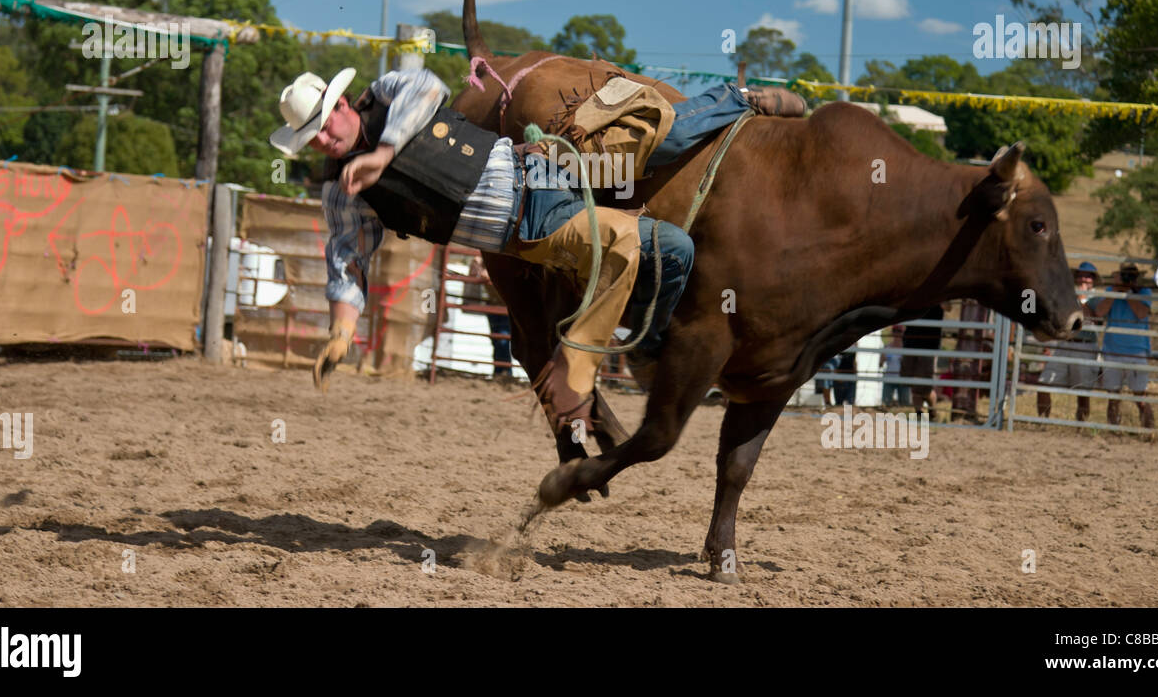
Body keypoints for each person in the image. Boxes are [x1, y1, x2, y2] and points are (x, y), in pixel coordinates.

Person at [271, 67, 792, 435]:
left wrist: (384, 154)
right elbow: (347, 260)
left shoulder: (390, 96)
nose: (321, 142)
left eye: (321, 128)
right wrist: (341, 332)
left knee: (649, 138)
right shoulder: (345, 193)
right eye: (310, 139)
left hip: (548, 165)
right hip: (540, 225)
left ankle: (739, 100)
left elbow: (427, 87)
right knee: (674, 248)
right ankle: (646, 343)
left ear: (341, 105)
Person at [1093, 263, 1155, 429]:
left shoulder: (1144, 292)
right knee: (1113, 397)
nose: (1128, 280)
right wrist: (1115, 292)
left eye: (1131, 277)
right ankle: (1113, 430)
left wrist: (1128, 293)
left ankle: (1149, 430)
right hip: (1112, 350)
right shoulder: (1111, 292)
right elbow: (1099, 312)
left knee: (1141, 397)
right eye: (1125, 276)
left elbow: (1141, 313)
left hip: (1137, 351)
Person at [1039, 262, 1101, 422]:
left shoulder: (1097, 298)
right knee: (1044, 383)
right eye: (1080, 275)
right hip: (1065, 343)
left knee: (1083, 391)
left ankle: (1081, 424)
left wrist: (1082, 299)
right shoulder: (1066, 294)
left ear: (1093, 279)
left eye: (1087, 276)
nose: (1083, 279)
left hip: (1086, 346)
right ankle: (1042, 421)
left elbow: (1097, 319)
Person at [467, 253, 514, 382]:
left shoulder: (503, 259)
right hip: (494, 304)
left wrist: (488, 274)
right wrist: (476, 264)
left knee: (502, 338)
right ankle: (500, 371)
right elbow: (472, 273)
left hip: (504, 305)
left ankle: (505, 372)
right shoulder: (483, 259)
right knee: (496, 339)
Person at [902, 304, 945, 422]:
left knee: (924, 385)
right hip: (910, 341)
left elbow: (948, 307)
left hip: (929, 344)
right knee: (912, 382)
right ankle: (920, 414)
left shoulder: (940, 291)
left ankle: (931, 409)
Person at [880, 325, 910, 407]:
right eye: (895, 330)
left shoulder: (907, 349)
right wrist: (883, 358)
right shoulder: (886, 347)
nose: (896, 333)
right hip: (889, 378)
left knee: (905, 405)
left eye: (899, 331)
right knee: (885, 403)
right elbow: (880, 364)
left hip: (903, 379)